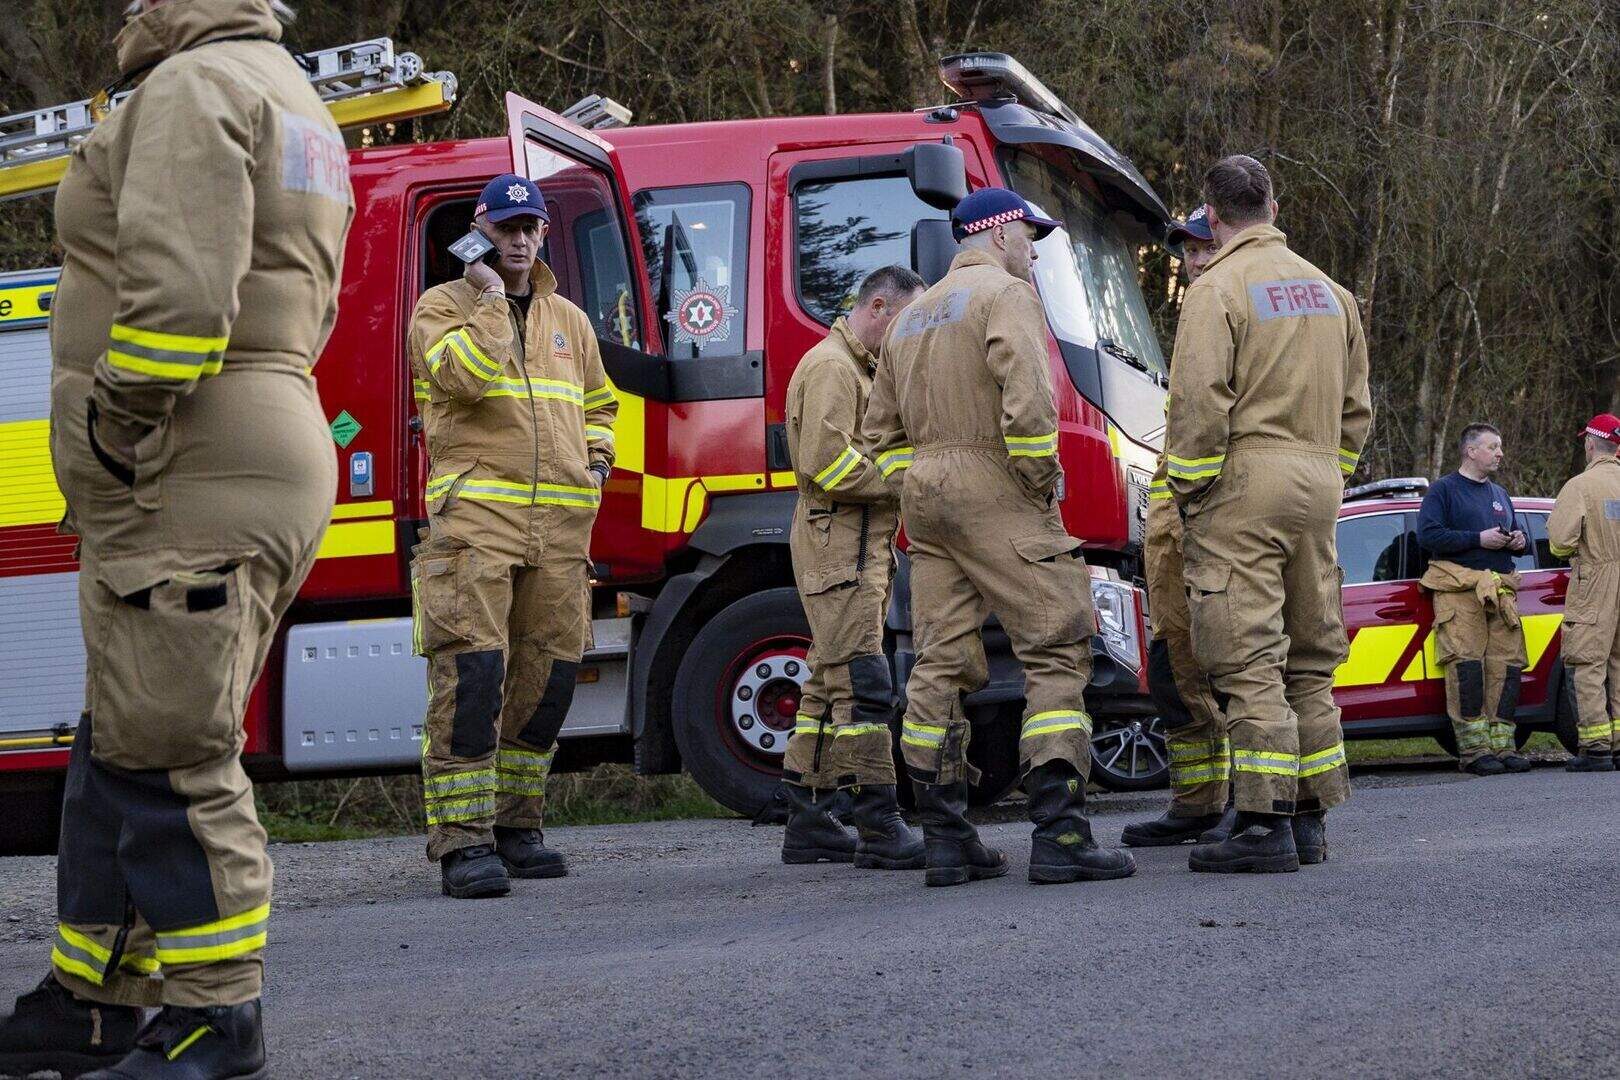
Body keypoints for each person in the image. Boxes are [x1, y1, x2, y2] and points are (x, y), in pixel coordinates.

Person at [0, 1, 352, 1077]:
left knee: (174, 756)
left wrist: (113, 422)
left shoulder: (195, 88)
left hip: (185, 455)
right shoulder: (287, 89)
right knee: (122, 742)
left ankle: (216, 1018)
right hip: (251, 437)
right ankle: (90, 999)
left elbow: (178, 308)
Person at [864, 187, 1136, 888]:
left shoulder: (912, 313)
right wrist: (1038, 478)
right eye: (1030, 235)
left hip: (926, 496)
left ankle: (947, 838)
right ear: (1000, 231)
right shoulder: (1006, 294)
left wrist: (916, 486)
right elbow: (1029, 395)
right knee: (1056, 647)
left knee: (939, 661)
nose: (1035, 250)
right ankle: (1061, 833)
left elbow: (879, 434)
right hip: (995, 485)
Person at [408, 174, 617, 898]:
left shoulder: (571, 321)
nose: (521, 239)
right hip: (477, 526)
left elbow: (600, 405)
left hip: (561, 528)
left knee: (548, 679)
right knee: (471, 680)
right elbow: (460, 380)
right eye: (506, 228)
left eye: (530, 226)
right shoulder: (442, 308)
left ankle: (515, 826)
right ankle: (463, 843)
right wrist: (491, 301)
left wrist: (596, 463)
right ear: (480, 231)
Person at [1168, 155, 1371, 874]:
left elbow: (1198, 403)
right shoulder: (1334, 294)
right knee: (1311, 659)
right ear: (1275, 209)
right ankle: (1312, 817)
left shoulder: (1216, 287)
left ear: (1213, 219)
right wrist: (1327, 478)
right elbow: (1356, 412)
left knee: (1248, 655)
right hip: (1317, 482)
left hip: (1244, 483)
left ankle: (1262, 821)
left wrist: (1190, 492)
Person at [779, 266, 927, 868]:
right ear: (881, 307)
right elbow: (826, 463)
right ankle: (878, 823)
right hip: (838, 544)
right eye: (907, 323)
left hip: (853, 543)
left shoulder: (856, 366)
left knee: (825, 682)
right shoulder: (834, 368)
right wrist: (898, 484)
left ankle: (810, 820)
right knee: (862, 686)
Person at [1123, 209, 1235, 848]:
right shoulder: (1199, 317)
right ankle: (1196, 805)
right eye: (1187, 253)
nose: (1193, 261)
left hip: (1213, 523)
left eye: (1203, 248)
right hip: (1174, 534)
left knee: (1232, 670)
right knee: (1175, 674)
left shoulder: (1235, 311)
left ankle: (1253, 807)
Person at [1416, 424, 1532, 776]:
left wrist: (1519, 541)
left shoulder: (1500, 492)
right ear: (1471, 451)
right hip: (1459, 590)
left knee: (1506, 667)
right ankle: (1474, 749)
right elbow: (1428, 535)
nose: (1500, 453)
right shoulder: (1444, 491)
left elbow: (1516, 534)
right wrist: (1478, 539)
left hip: (1500, 591)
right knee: (1467, 667)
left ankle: (1503, 746)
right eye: (1493, 447)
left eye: (1499, 447)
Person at [1546, 414, 1620, 772]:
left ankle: (1596, 747)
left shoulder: (1581, 486)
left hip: (1595, 581)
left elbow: (1560, 543)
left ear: (1591, 444)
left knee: (1587, 662)